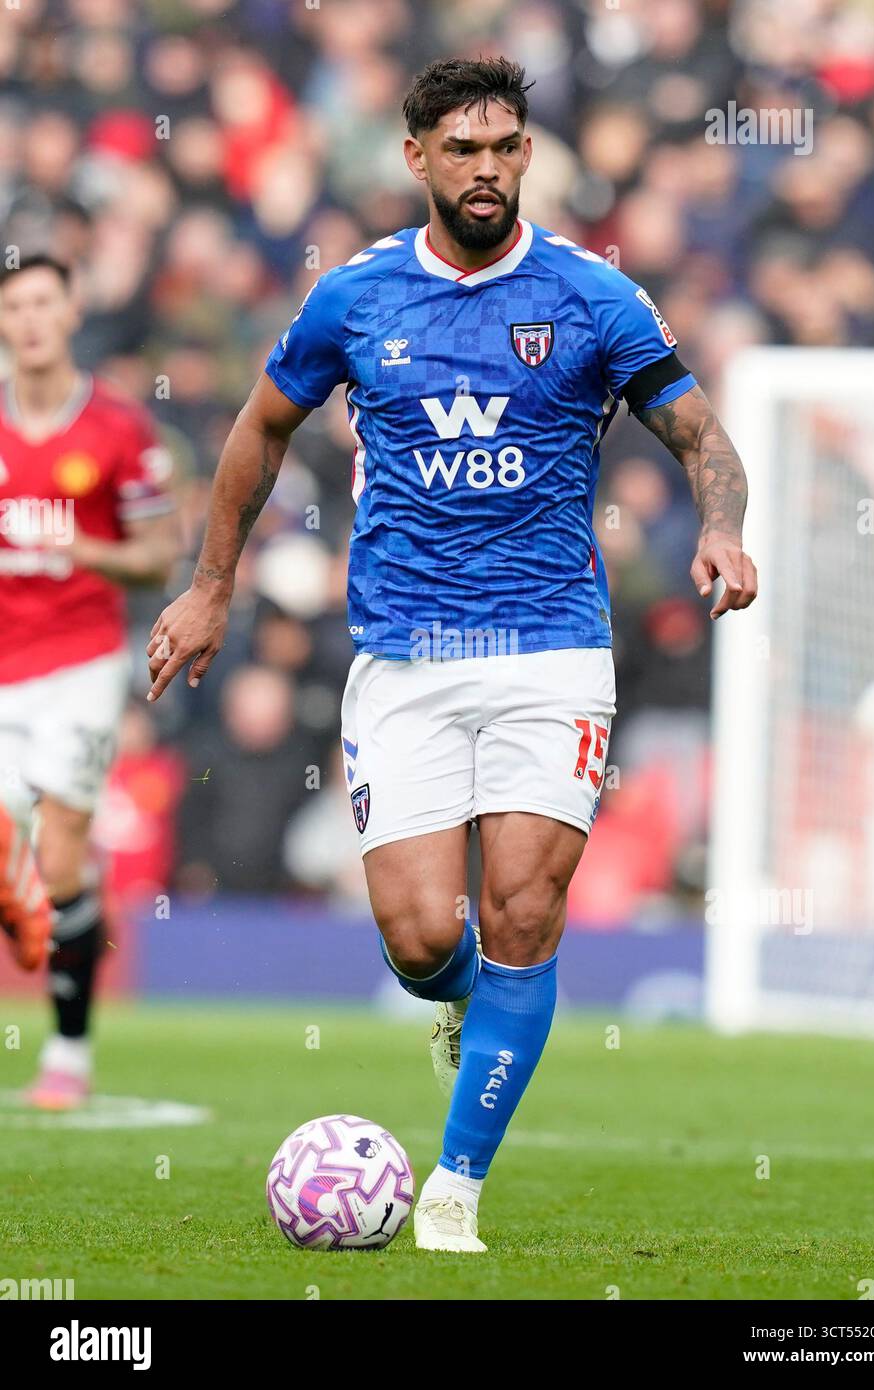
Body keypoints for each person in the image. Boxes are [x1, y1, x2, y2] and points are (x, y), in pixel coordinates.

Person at [147, 57, 757, 1251]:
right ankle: (469, 1010)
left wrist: (722, 524)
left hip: (550, 649)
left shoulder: (590, 295)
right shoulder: (356, 297)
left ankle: (454, 1188)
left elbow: (697, 428)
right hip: (405, 655)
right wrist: (210, 587)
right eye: (463, 149)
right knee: (426, 938)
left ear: (528, 154)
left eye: (507, 146)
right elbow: (260, 429)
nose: (487, 168)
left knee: (522, 908)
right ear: (417, 158)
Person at [0, 255, 178, 1109]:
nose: (30, 319)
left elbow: (159, 553)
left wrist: (90, 552)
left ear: (72, 312)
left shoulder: (117, 428)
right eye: (14, 306)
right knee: (12, 855)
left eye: (44, 302)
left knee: (60, 858)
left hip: (78, 663)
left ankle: (67, 1056)